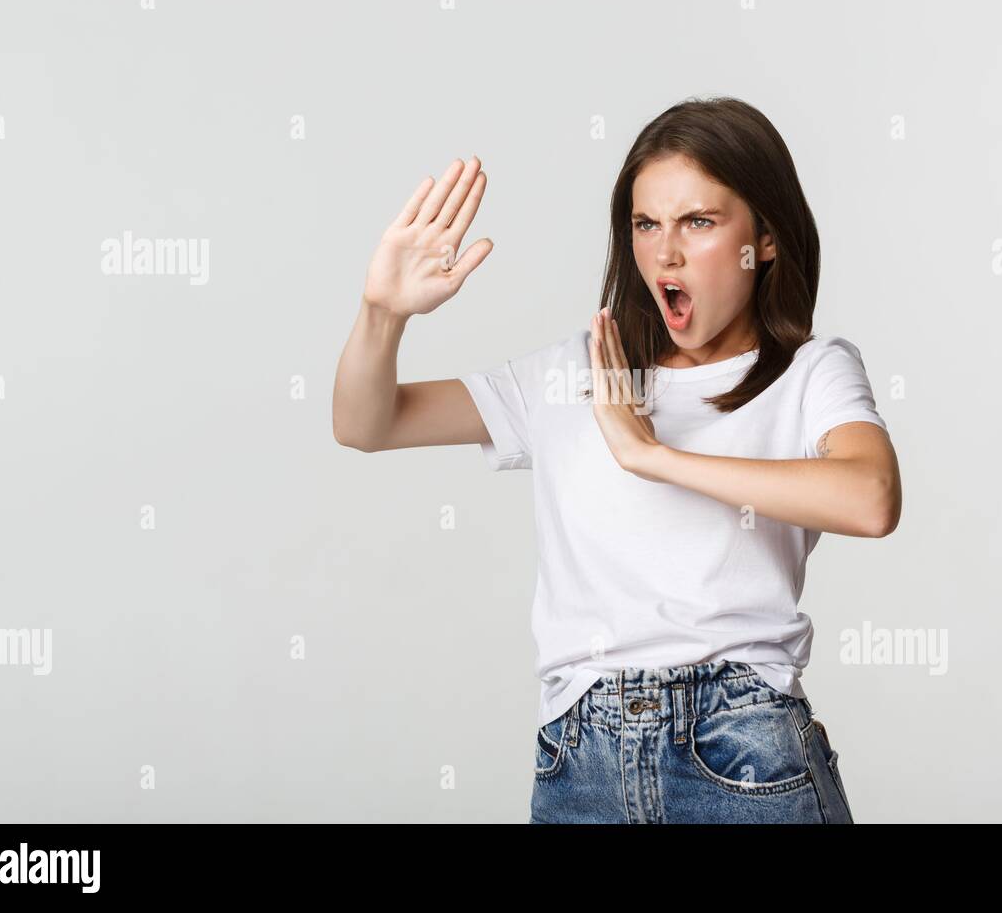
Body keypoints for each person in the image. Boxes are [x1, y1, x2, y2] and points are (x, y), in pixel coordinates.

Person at [332, 96, 902, 824]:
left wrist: (651, 454)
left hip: (741, 745)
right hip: (580, 759)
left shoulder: (809, 372)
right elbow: (365, 423)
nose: (664, 252)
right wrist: (384, 314)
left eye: (698, 221)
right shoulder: (577, 372)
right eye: (645, 224)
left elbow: (871, 497)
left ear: (764, 239)